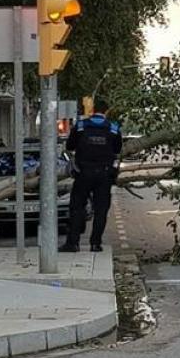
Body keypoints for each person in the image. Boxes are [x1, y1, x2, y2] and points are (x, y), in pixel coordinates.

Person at [60, 100, 122, 253]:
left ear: (93, 110)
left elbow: (70, 146)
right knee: (101, 210)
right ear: (107, 111)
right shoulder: (113, 128)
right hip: (104, 175)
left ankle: (73, 243)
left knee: (77, 208)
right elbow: (117, 149)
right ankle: (95, 244)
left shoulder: (81, 126)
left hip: (83, 173)